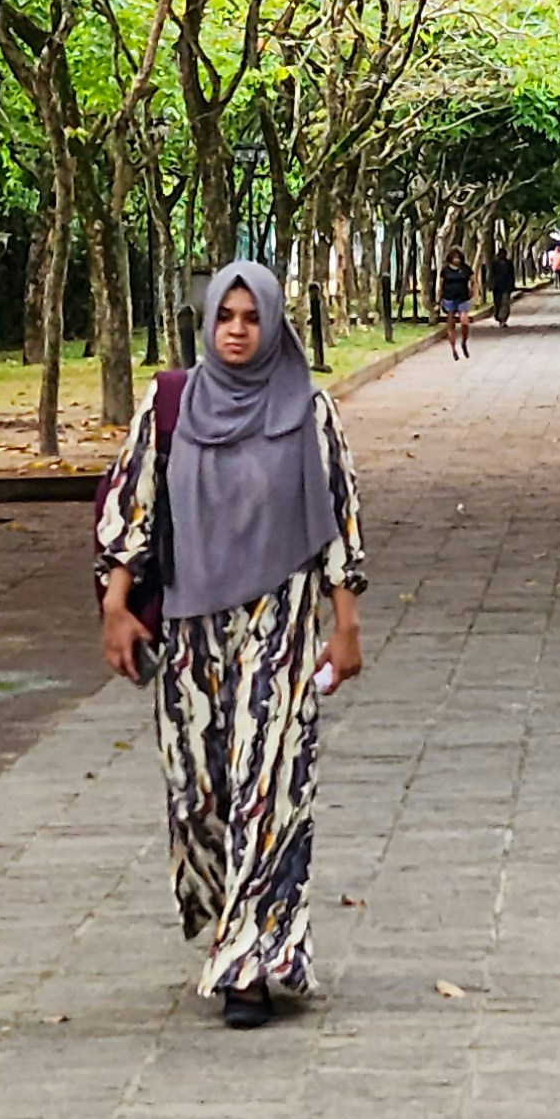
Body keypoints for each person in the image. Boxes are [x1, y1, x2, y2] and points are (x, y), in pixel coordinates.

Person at [97, 258, 366, 1026]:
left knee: (268, 786)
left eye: (253, 318)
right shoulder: (171, 405)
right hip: (190, 630)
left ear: (275, 323)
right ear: (208, 323)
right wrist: (118, 608)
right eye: (227, 318)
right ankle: (228, 923)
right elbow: (133, 511)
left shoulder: (308, 411)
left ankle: (255, 959)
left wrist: (344, 628)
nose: (239, 331)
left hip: (279, 624)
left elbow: (341, 526)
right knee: (199, 796)